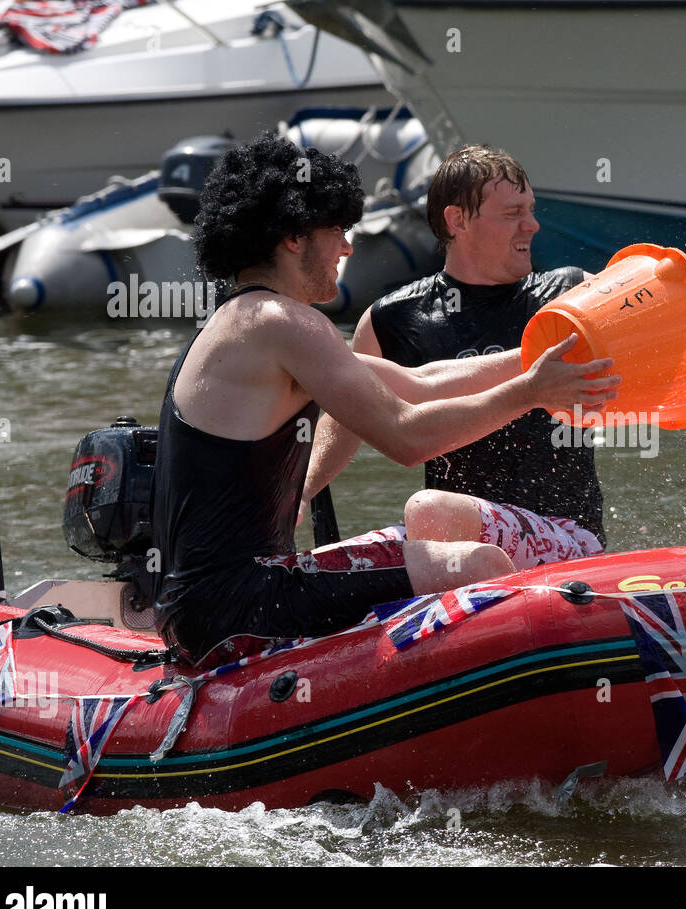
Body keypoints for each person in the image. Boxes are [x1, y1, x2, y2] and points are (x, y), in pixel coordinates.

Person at [151, 134, 618, 665]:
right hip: (242, 604)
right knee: (477, 567)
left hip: (209, 599)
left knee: (435, 550)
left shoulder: (242, 321)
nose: (348, 249)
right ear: (293, 239)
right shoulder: (285, 323)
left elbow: (422, 382)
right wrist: (531, 391)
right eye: (337, 232)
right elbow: (408, 435)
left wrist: (539, 359)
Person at [303, 144, 605, 572]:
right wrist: (302, 492)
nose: (533, 225)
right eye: (512, 213)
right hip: (451, 534)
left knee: (429, 510)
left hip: (564, 537)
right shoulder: (392, 320)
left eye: (531, 209)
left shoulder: (571, 294)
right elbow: (345, 418)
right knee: (326, 564)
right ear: (458, 220)